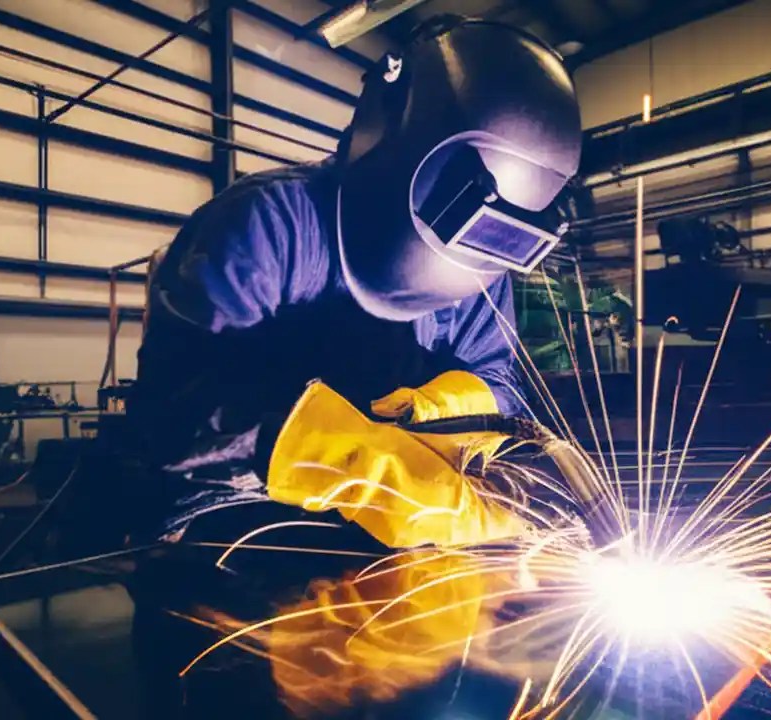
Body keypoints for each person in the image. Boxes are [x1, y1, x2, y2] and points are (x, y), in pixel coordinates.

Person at [129, 15, 583, 547]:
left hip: (389, 546)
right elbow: (173, 416)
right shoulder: (268, 223)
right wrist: (344, 461)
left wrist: (451, 407)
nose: (473, 254)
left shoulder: (485, 261)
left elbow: (504, 382)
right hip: (235, 524)